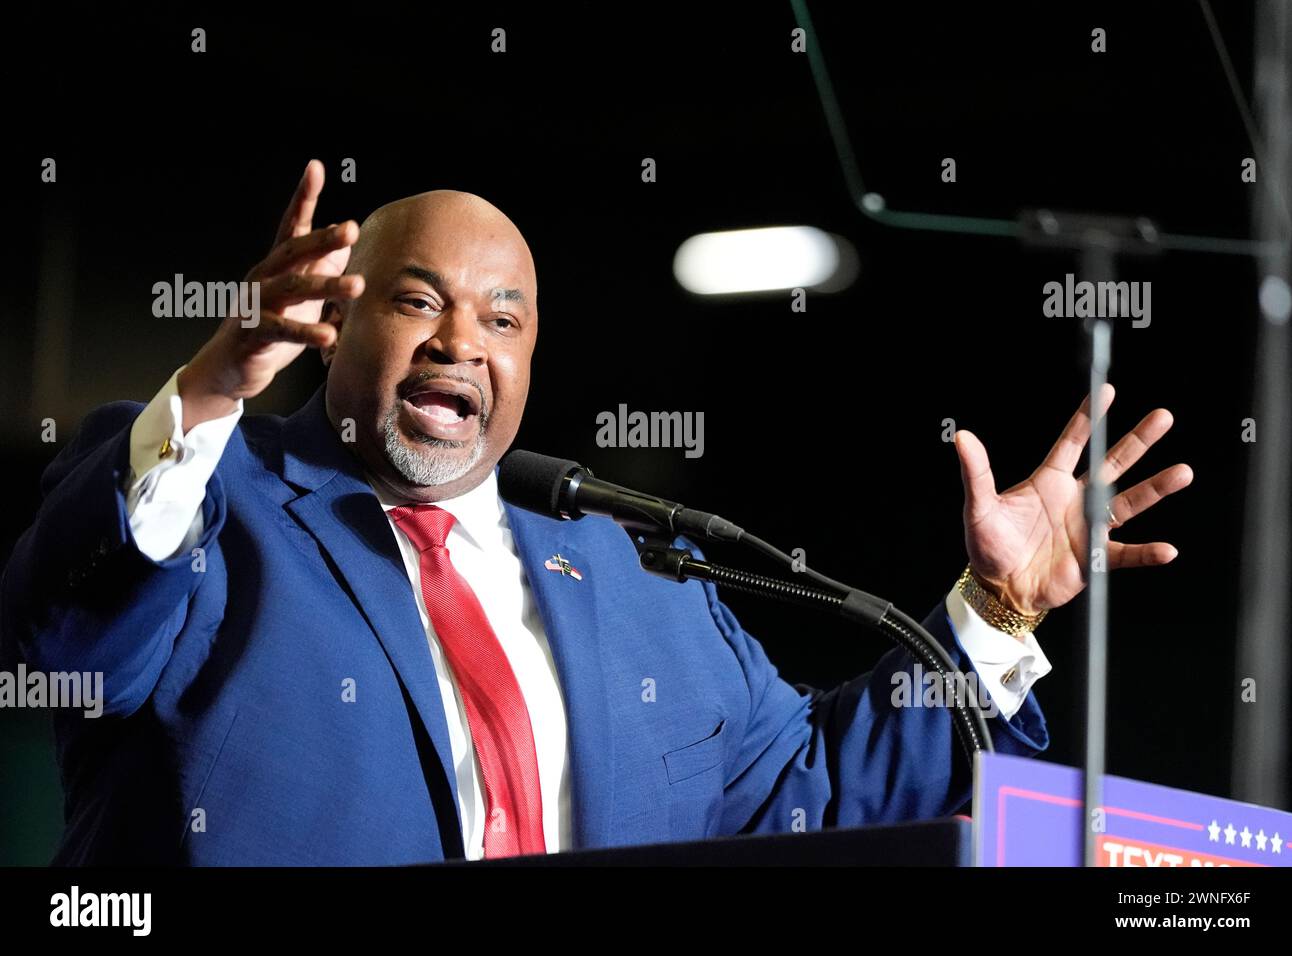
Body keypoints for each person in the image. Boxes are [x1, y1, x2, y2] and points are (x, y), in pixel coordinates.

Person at [1, 161, 1193, 864]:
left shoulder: (633, 580)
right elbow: (73, 640)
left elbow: (816, 793)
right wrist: (215, 380)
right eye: (416, 301)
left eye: (503, 318)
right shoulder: (213, 501)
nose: (461, 340)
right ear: (335, 324)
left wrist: (992, 608)